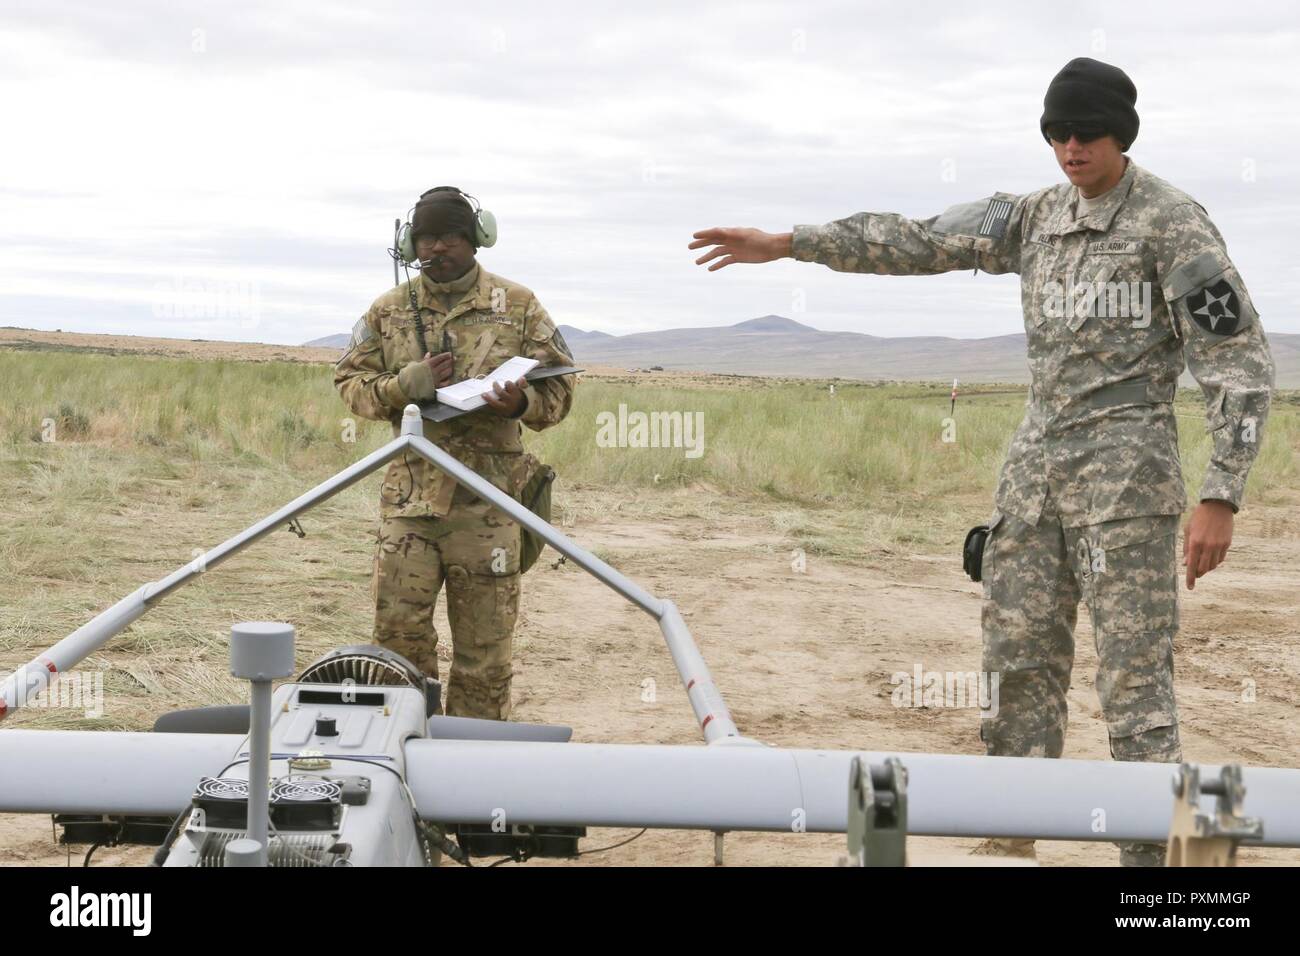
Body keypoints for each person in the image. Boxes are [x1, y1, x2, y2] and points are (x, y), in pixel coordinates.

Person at [689, 58, 1274, 865]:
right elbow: (920, 238)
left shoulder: (1174, 223)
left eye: (1088, 134)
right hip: (1033, 483)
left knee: (1136, 691)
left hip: (1128, 483)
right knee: (1018, 669)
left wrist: (1222, 494)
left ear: (1122, 135)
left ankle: (1168, 884)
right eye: (1057, 134)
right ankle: (1010, 844)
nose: (1071, 148)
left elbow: (1238, 362)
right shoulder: (1033, 217)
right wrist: (790, 243)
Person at [335, 186, 576, 720]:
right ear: (409, 242)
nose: (435, 248)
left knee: (485, 655)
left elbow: (560, 395)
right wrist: (404, 386)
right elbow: (351, 384)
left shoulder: (519, 306)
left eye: (448, 237)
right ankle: (402, 752)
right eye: (425, 237)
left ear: (476, 240)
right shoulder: (388, 310)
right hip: (409, 505)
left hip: (490, 506)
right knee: (396, 644)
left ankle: (475, 769)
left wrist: (520, 402)